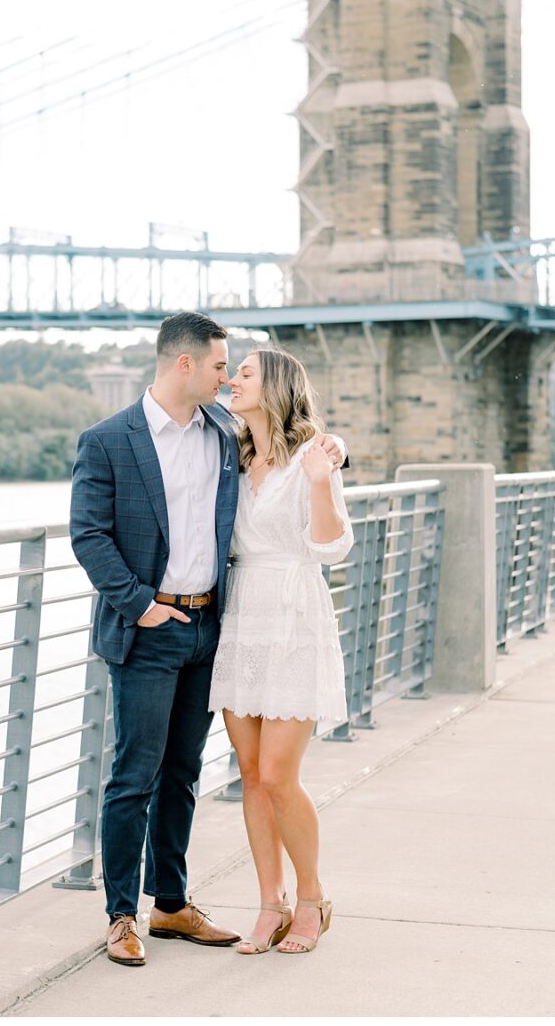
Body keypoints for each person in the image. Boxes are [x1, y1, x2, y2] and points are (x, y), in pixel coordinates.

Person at [68, 313, 344, 967]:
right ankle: (121, 917)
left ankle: (172, 902)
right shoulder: (109, 440)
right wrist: (142, 607)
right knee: (134, 775)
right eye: (222, 366)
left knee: (185, 774)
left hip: (217, 628)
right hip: (150, 628)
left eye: (236, 371)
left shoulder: (226, 433)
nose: (228, 378)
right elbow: (88, 535)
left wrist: (334, 458)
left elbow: (298, 444)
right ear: (185, 364)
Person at [208, 347, 352, 954]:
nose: (232, 379)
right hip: (242, 616)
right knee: (248, 774)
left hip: (293, 614)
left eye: (243, 372)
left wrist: (323, 478)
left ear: (276, 386)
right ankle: (271, 902)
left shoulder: (312, 458)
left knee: (277, 774)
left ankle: (313, 896)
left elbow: (332, 547)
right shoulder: (230, 453)